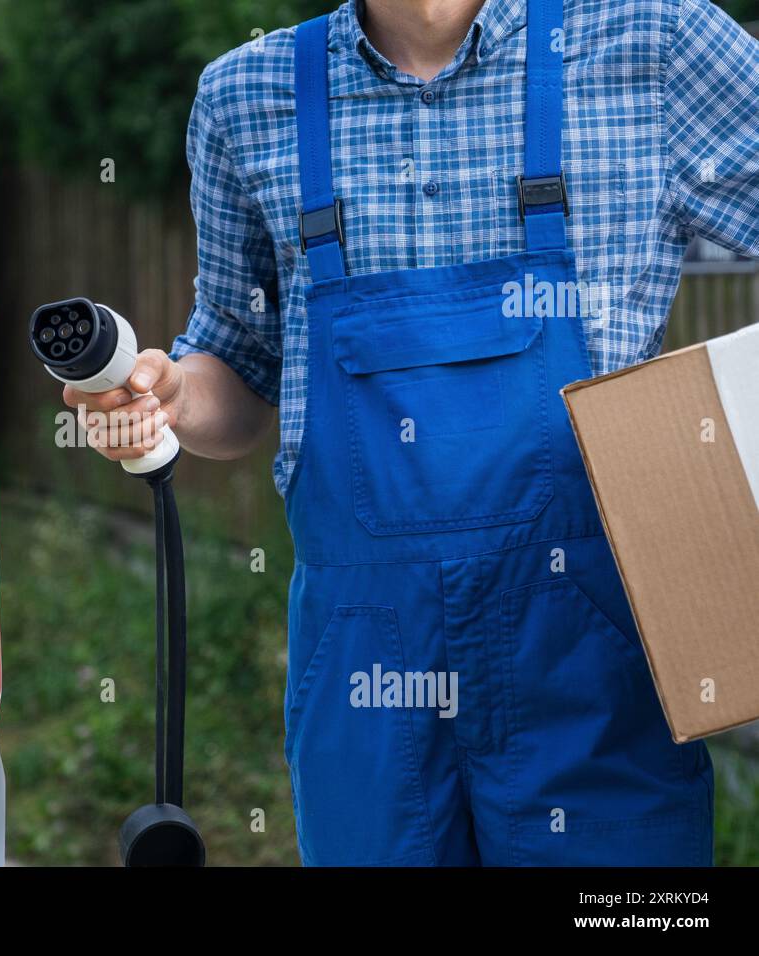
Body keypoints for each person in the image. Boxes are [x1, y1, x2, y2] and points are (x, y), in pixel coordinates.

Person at [60, 0, 759, 865]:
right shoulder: (249, 95)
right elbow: (236, 366)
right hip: (365, 677)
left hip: (593, 663)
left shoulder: (654, 45)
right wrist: (165, 400)